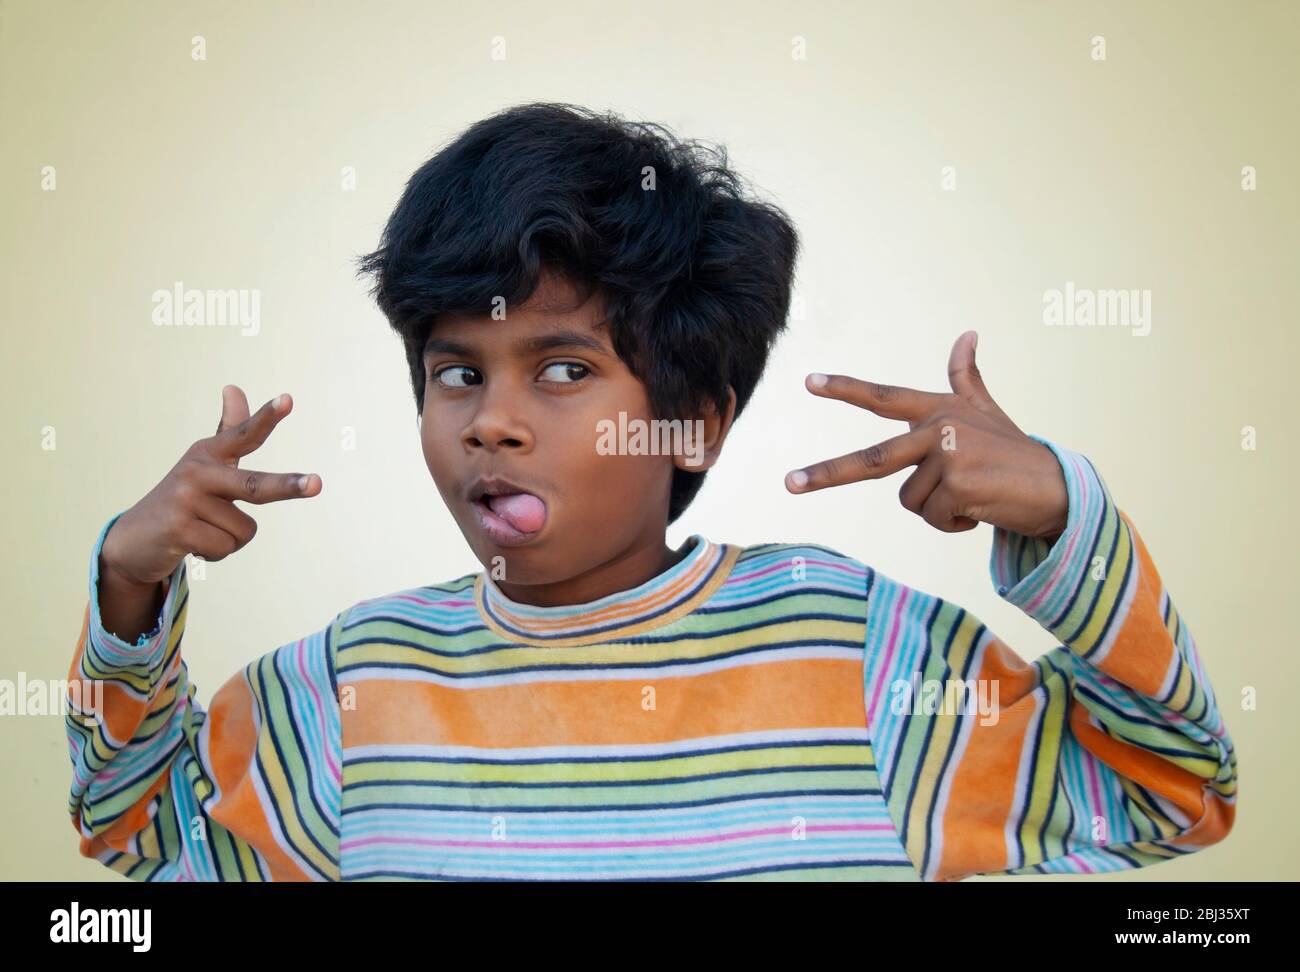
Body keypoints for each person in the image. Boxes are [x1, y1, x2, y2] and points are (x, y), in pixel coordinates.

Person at [66, 103, 1236, 881]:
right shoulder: (348, 690)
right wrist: (130, 588)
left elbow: (1171, 792)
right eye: (454, 373)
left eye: (564, 368)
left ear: (697, 419)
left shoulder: (858, 656)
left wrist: (1064, 517)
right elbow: (129, 850)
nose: (493, 419)